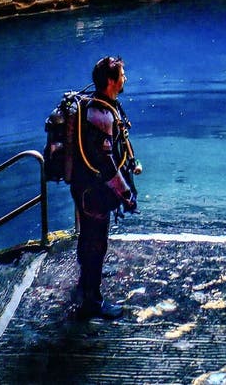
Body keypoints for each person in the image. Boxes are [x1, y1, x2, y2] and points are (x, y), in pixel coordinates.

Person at [70, 55, 140, 320]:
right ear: (111, 81)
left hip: (85, 188)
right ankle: (92, 300)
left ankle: (86, 278)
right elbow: (107, 165)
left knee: (88, 237)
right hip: (93, 192)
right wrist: (127, 195)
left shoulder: (105, 107)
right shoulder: (100, 116)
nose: (125, 79)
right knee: (96, 242)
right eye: (122, 75)